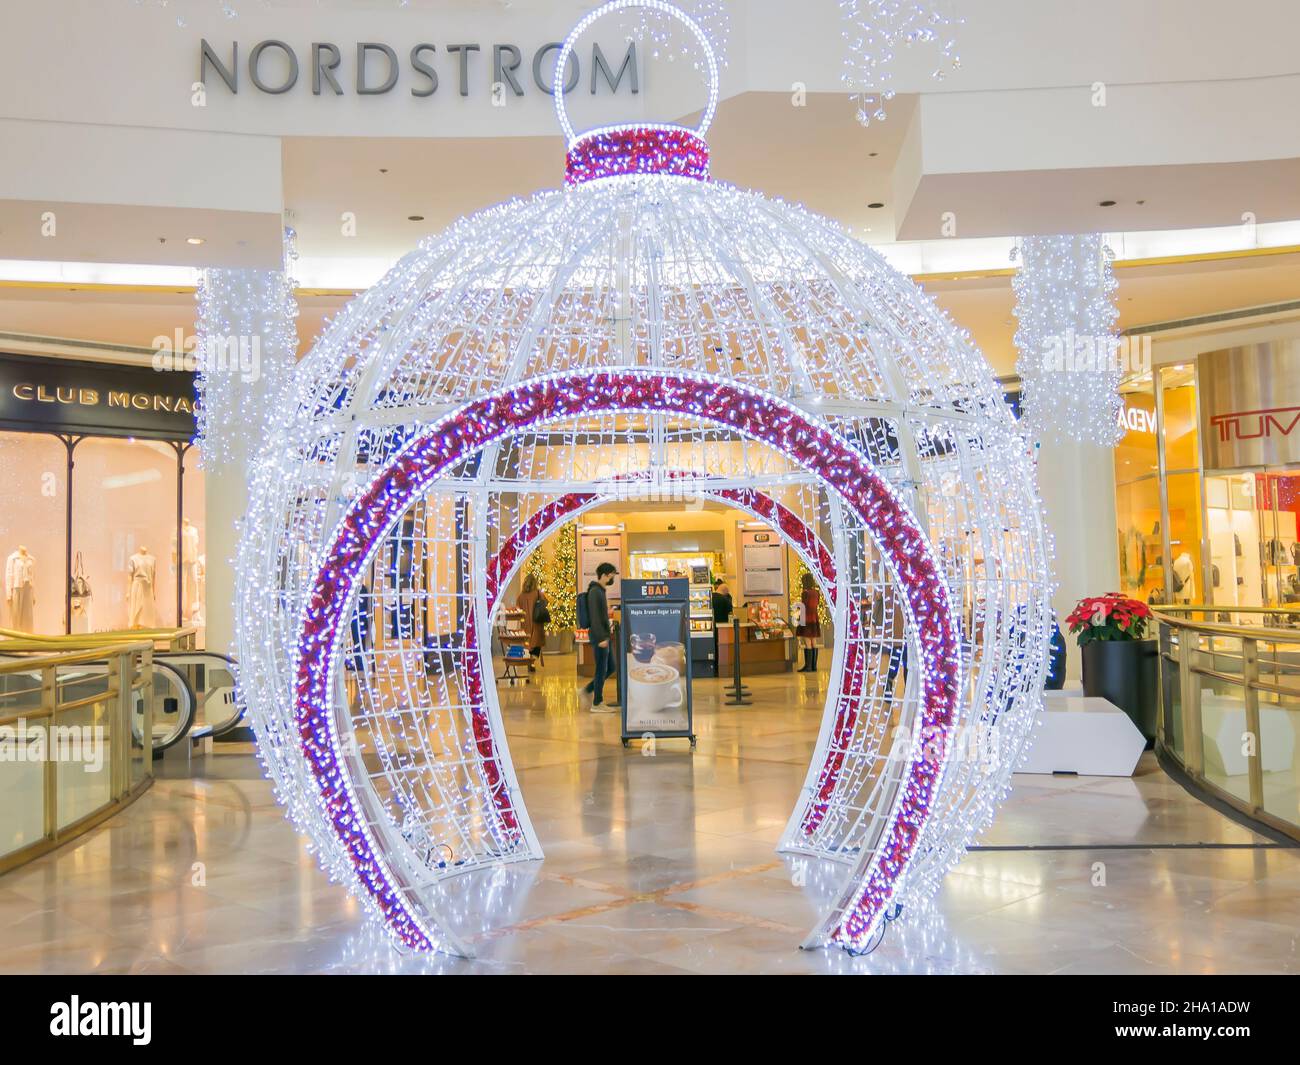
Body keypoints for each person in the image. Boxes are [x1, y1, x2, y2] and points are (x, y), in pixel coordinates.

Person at [583, 562, 618, 712]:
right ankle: (597, 703)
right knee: (601, 669)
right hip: (600, 638)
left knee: (611, 667)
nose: (611, 579)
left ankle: (589, 689)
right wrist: (602, 638)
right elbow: (595, 618)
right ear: (604, 575)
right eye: (611, 576)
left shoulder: (599, 591)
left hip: (603, 636)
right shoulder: (595, 592)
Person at [516, 573, 548, 672]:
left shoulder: (521, 596)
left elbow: (518, 608)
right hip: (536, 622)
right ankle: (532, 661)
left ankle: (530, 662)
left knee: (528, 643)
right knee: (536, 643)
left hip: (525, 623)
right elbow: (546, 602)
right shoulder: (538, 593)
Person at [796, 571, 821, 673]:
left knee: (807, 642)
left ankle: (808, 666)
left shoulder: (805, 593)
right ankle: (814, 666)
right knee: (813, 641)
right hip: (814, 618)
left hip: (806, 618)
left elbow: (803, 606)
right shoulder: (816, 592)